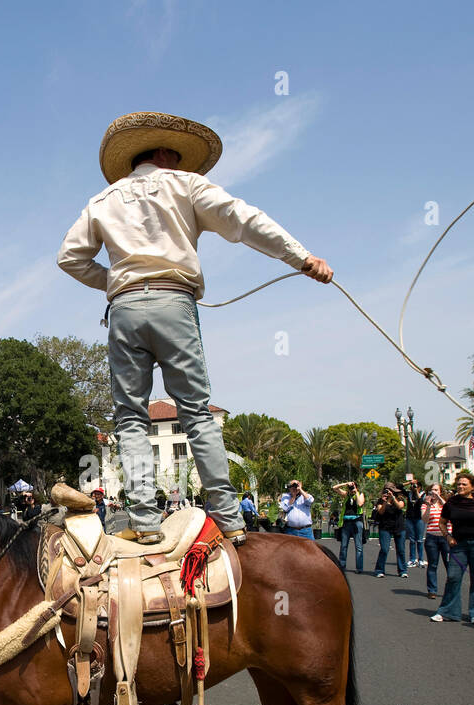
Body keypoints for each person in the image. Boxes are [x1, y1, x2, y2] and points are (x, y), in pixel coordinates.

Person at [58, 110, 333, 547]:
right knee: (196, 411)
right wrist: (301, 257)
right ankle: (228, 517)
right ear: (165, 154)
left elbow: (69, 258)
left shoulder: (102, 200)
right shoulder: (184, 184)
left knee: (131, 415)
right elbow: (243, 220)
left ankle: (145, 521)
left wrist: (114, 281)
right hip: (174, 301)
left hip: (124, 309)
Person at [432, 472, 474, 624]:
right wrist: (448, 537)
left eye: (464, 484)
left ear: (472, 487)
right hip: (458, 545)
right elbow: (442, 522)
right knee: (453, 577)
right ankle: (448, 611)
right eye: (459, 484)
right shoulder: (452, 503)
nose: (460, 486)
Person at [331, 479, 367, 572]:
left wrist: (356, 492)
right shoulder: (346, 495)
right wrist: (346, 483)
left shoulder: (360, 494)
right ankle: (342, 566)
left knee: (358, 546)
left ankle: (359, 568)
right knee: (343, 546)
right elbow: (334, 488)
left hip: (356, 522)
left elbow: (360, 503)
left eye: (353, 486)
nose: (351, 489)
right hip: (346, 522)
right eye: (350, 487)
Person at [372, 484, 408, 577]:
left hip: (399, 526)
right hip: (385, 527)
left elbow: (400, 507)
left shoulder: (400, 498)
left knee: (401, 550)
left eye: (390, 490)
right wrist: (386, 501)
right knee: (384, 549)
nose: (388, 493)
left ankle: (402, 570)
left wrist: (393, 498)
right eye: (387, 491)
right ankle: (379, 570)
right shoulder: (381, 500)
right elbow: (381, 511)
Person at [421, 485, 449, 599]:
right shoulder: (425, 505)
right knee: (432, 564)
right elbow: (425, 519)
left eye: (436, 490)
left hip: (446, 537)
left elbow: (450, 510)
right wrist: (428, 506)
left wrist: (440, 498)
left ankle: (450, 590)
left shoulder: (445, 504)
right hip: (432, 537)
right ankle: (432, 590)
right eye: (432, 490)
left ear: (441, 491)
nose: (434, 492)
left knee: (449, 564)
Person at [404, 479, 425, 568]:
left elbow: (421, 503)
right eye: (412, 486)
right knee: (412, 540)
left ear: (419, 487)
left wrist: (416, 492)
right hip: (410, 518)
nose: (413, 488)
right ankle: (412, 559)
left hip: (419, 519)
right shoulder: (409, 494)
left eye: (415, 486)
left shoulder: (423, 494)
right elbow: (398, 487)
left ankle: (421, 560)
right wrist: (408, 482)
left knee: (419, 540)